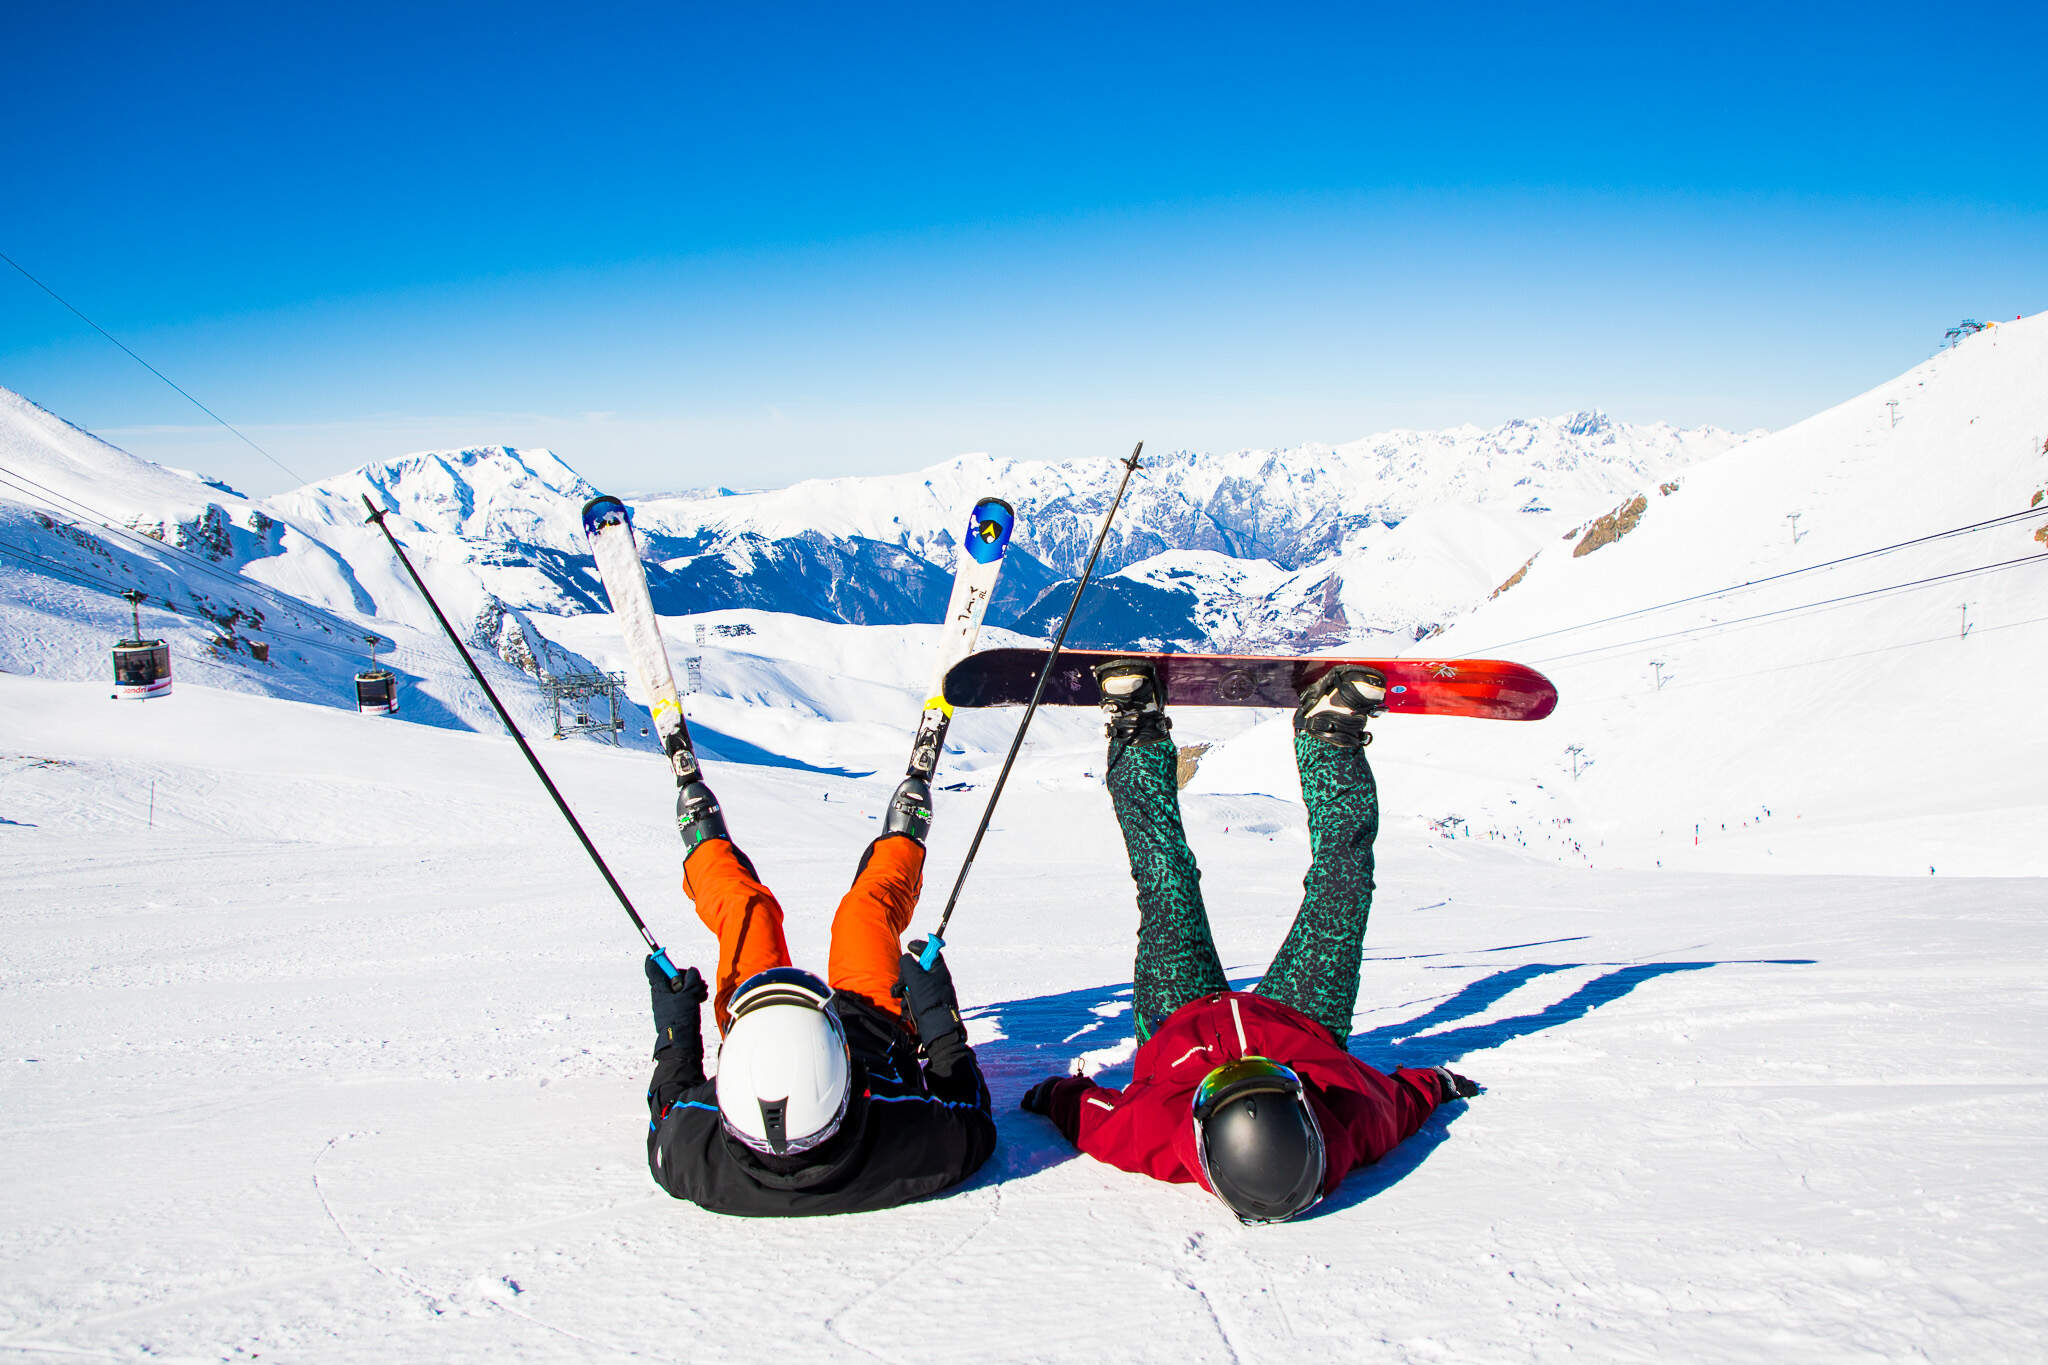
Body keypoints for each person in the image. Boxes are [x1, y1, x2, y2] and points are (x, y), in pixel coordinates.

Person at [1019, 661, 1476, 1225]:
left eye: (1226, 1082)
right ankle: (1328, 736)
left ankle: (1136, 733)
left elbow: (1091, 1114)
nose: (1246, 1064)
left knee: (1169, 884)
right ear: (1306, 1106)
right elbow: (1403, 1104)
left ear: (1199, 1118)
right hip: (1303, 1025)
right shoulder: (1353, 1120)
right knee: (1345, 883)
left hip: (1176, 1022)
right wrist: (1440, 1083)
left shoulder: (1155, 1134)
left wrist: (1051, 1096)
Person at [642, 773, 996, 1215]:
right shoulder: (907, 1139)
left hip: (759, 1018)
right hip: (871, 1029)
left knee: (746, 914)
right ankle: (901, 844)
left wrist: (676, 1031)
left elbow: (666, 1112)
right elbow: (974, 1116)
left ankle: (706, 850)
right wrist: (938, 1017)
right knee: (864, 912)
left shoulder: (693, 1154)